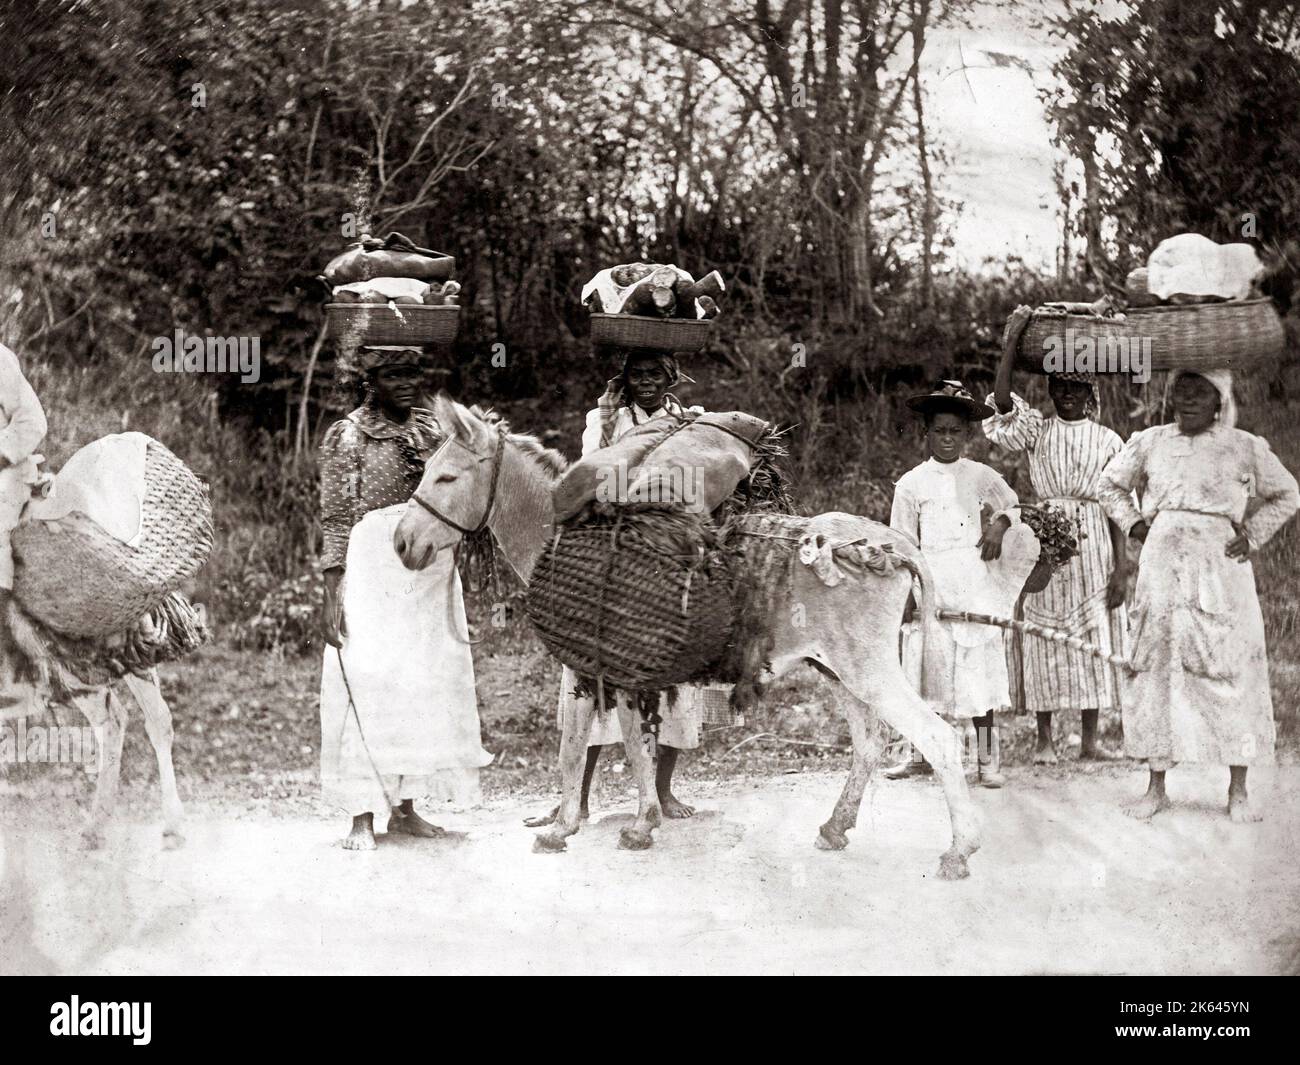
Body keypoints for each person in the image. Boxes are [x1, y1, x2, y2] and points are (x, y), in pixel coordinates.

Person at [1097, 368, 1298, 823]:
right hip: (1162, 563)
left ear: (1218, 401)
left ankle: (1238, 789)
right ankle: (1156, 786)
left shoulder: (1243, 445)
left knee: (1228, 670)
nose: (1188, 401)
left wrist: (1252, 533)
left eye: (1200, 393)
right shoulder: (1150, 441)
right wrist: (1136, 524)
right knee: (1156, 668)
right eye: (1181, 392)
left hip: (1219, 566)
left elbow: (1287, 493)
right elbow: (1108, 485)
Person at [317, 346, 491, 851]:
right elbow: (335, 516)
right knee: (370, 677)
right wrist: (333, 592)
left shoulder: (433, 431)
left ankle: (408, 807)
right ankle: (361, 814)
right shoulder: (348, 435)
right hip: (371, 561)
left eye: (413, 372)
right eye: (394, 375)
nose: (407, 383)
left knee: (423, 680)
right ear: (371, 381)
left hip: (429, 562)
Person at [525, 349, 705, 827]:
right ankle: (576, 797)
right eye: (637, 374)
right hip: (609, 546)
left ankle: (661, 792)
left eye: (655, 374)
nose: (646, 382)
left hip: (664, 549)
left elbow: (691, 484)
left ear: (671, 378)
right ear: (625, 379)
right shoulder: (603, 420)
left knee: (670, 673)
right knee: (589, 673)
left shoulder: (687, 422)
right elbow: (592, 475)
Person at [983, 305, 1129, 763]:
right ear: (1049, 389)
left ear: (1090, 393)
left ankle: (1089, 739)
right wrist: (1013, 341)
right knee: (1043, 628)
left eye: (1076, 387)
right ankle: (1045, 739)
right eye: (1059, 386)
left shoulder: (1109, 440)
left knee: (1092, 631)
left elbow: (1116, 503)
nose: (1067, 394)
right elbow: (1002, 402)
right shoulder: (1037, 432)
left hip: (1094, 544)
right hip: (1045, 536)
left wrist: (1123, 565)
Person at [886, 380, 1033, 788]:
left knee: (976, 676)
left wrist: (999, 527)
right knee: (926, 673)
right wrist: (909, 594)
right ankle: (921, 756)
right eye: (939, 431)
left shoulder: (981, 475)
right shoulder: (911, 483)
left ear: (967, 434)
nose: (947, 439)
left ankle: (987, 760)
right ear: (925, 433)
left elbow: (1014, 504)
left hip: (972, 579)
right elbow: (902, 543)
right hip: (930, 582)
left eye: (955, 431)